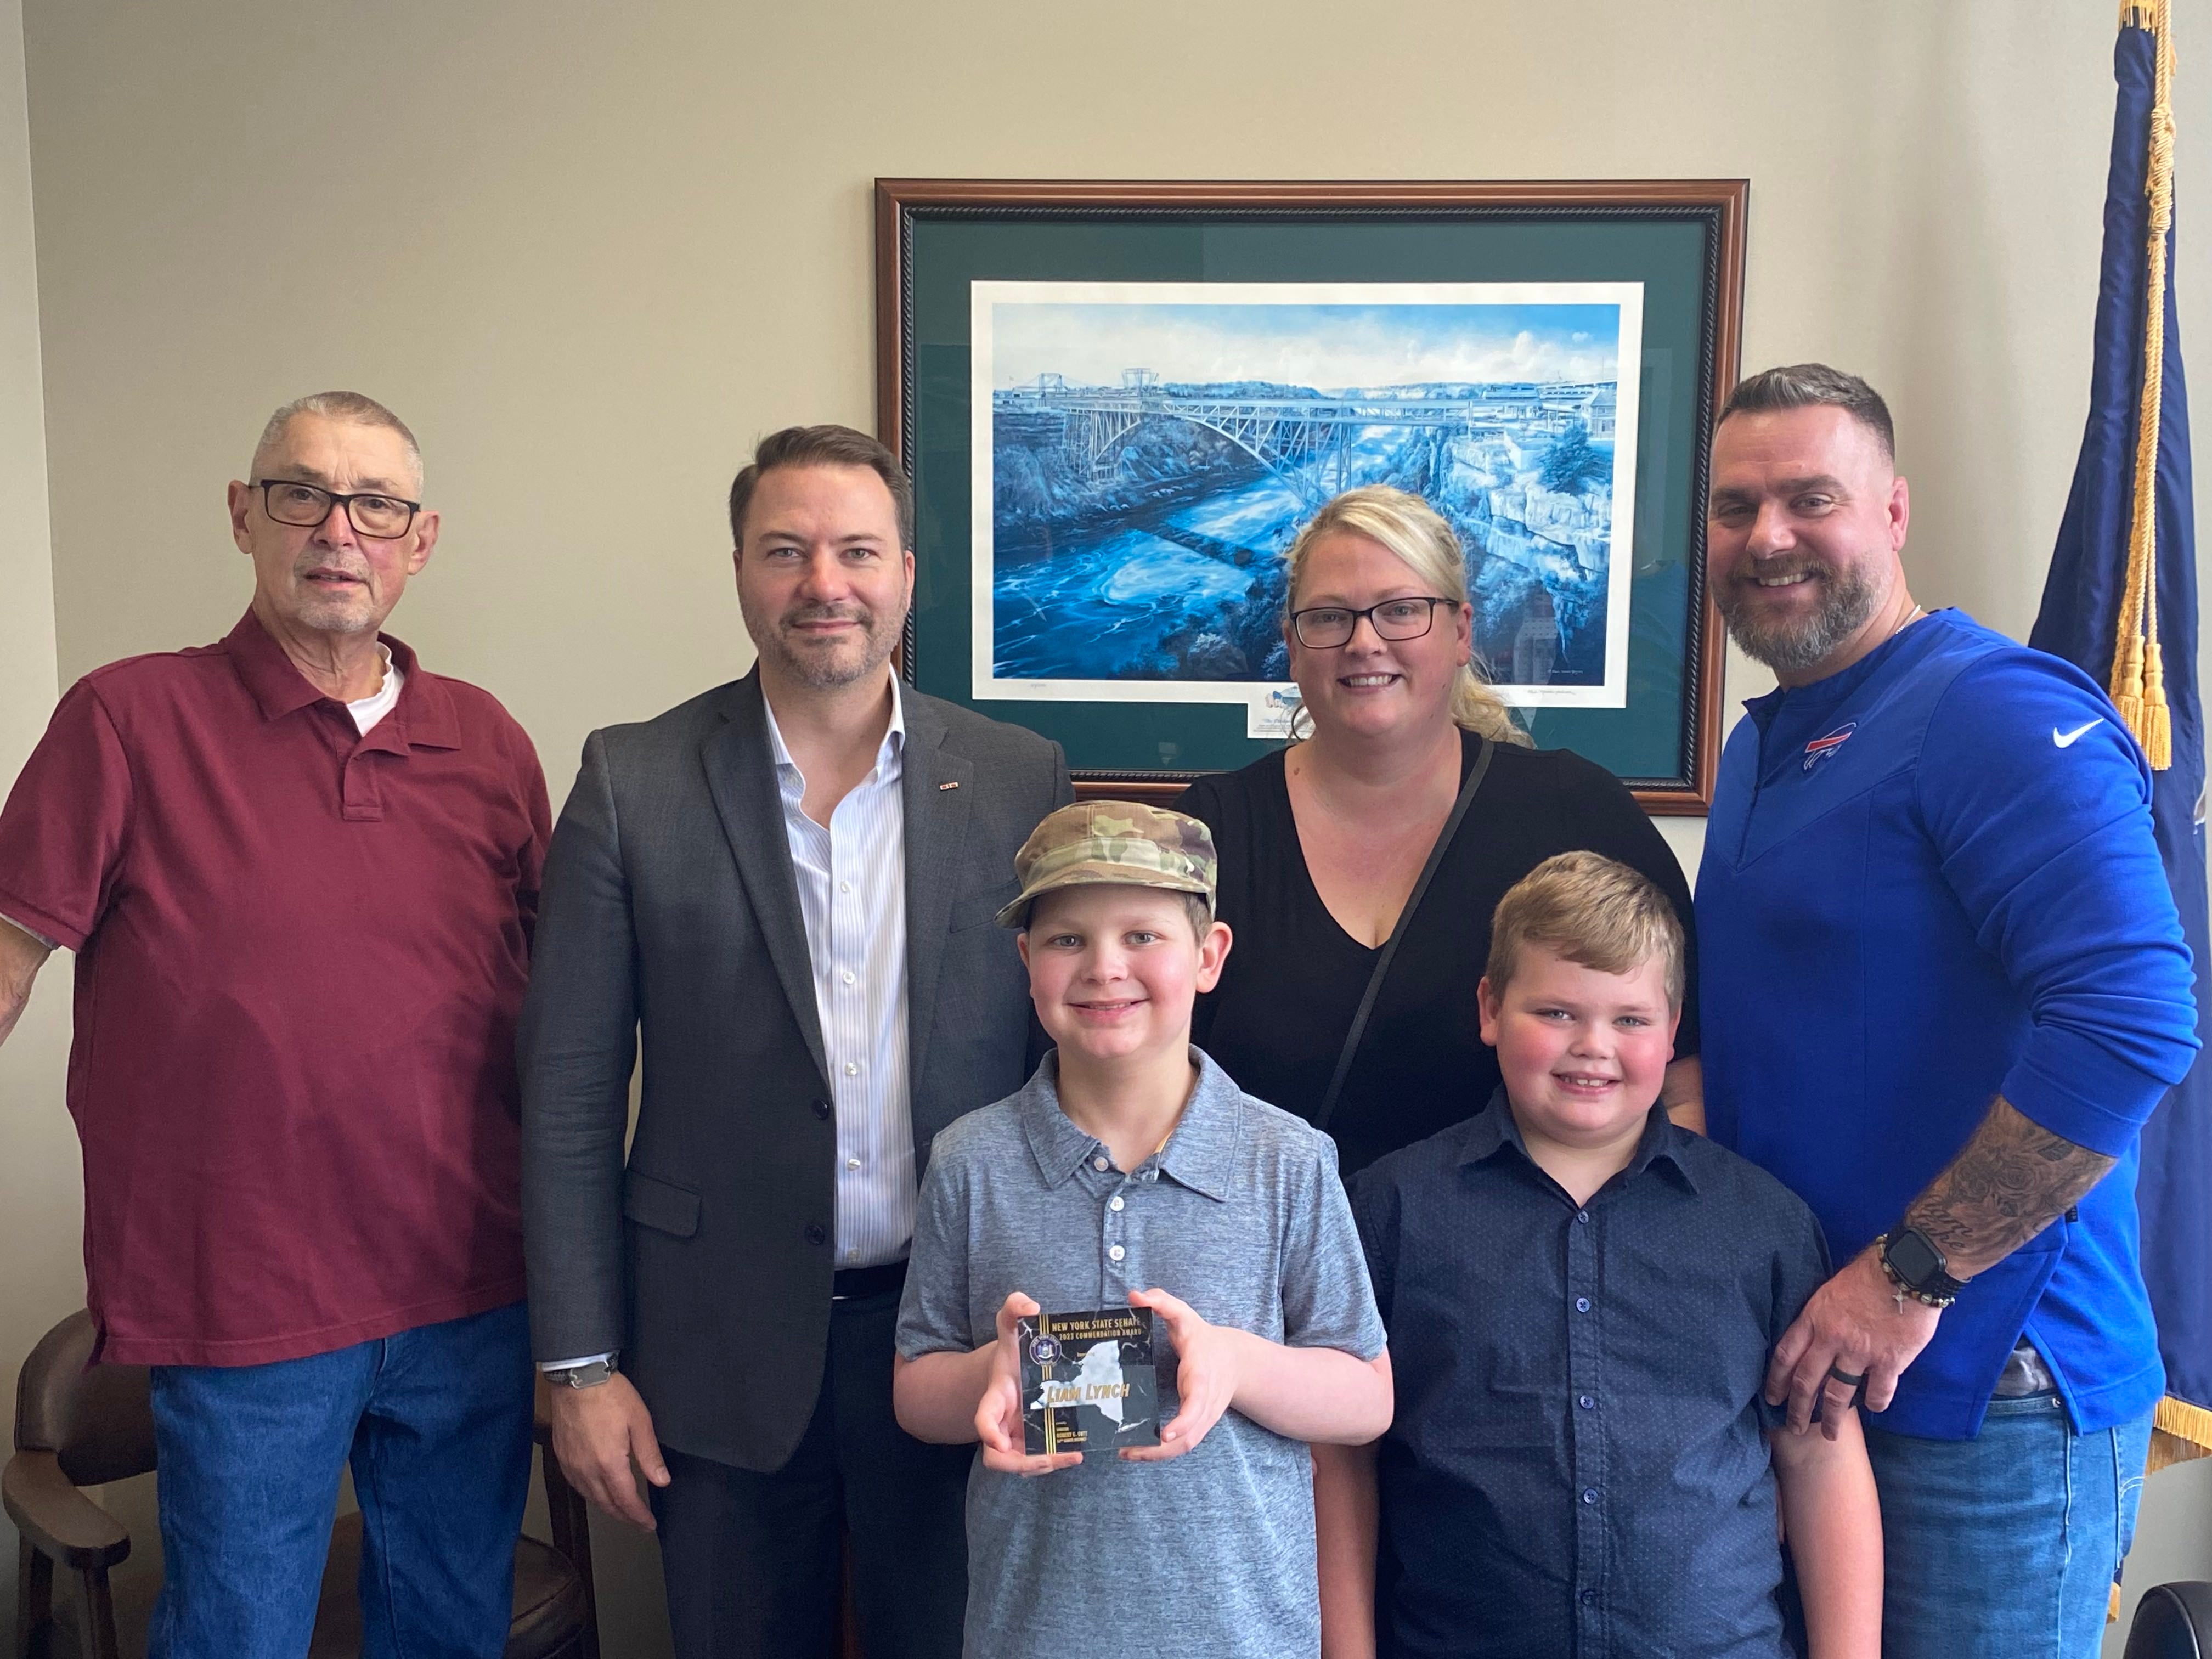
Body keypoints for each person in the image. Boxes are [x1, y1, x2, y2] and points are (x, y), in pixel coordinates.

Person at [0, 392, 550, 1658]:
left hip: (469, 1292)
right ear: (245, 517)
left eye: (378, 505)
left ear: (423, 541)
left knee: (452, 1634)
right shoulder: (129, 719)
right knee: (238, 1637)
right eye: (302, 493)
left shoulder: (487, 740)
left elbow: (565, 1010)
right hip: (245, 1303)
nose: (338, 529)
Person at [518, 424, 1071, 1659]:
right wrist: (579, 1369)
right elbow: (565, 1096)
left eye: (857, 550)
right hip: (710, 1353)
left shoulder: (1019, 777)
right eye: (788, 551)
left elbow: (1071, 1073)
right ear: (740, 571)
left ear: (908, 576)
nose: (826, 583)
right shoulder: (634, 778)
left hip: (959, 1333)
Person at [1695, 364, 2199, 1658]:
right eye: (1736, 506)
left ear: (1896, 511)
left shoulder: (1990, 708)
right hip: (1820, 1373)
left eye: (1812, 499)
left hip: (1995, 1392)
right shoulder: (1767, 742)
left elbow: (2135, 1017)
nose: (1770, 538)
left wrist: (1912, 1274)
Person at [1323, 852, 1881, 1658]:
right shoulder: (1388, 1211)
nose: (1593, 1047)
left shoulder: (1763, 1223)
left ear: (1673, 1030)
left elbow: (1819, 1457)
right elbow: (1344, 1466)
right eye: (1555, 1012)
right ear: (1489, 1008)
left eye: (1630, 1020)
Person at [891, 799, 1393, 1659]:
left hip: (1244, 1637)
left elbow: (1367, 1397)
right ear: (1026, 962)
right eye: (1066, 940)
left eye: (1143, 937)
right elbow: (915, 1393)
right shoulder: (970, 1161)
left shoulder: (1287, 1160)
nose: (1103, 967)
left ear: (1209, 956)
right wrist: (993, 1369)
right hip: (1030, 1635)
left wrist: (1236, 1362)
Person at [1180, 484, 1701, 1180]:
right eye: (1330, 617)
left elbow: (1679, 1082)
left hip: (1514, 1278)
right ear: (1293, 647)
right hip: (1256, 1276)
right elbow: (1135, 1080)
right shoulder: (1210, 833)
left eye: (1401, 612)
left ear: (1461, 632)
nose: (1365, 642)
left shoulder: (1577, 813)